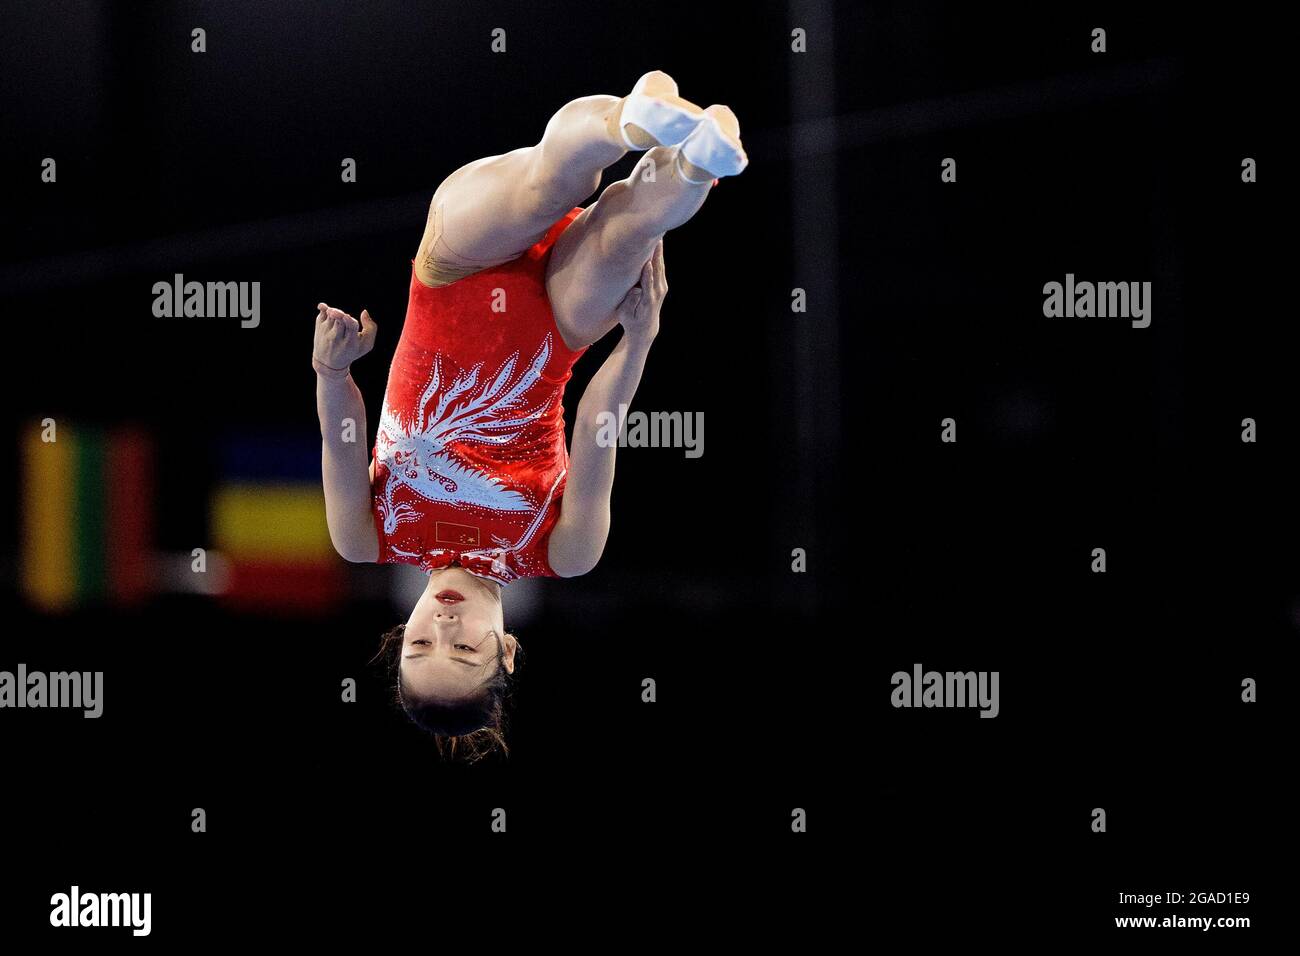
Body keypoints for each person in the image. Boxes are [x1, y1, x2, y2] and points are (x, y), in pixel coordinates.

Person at [311, 71, 747, 759]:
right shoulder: (564, 555)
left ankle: (633, 120)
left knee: (547, 186)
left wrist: (332, 371)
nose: (444, 628)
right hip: (557, 331)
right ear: (507, 651)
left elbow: (343, 441)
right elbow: (597, 433)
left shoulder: (366, 537)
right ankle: (699, 159)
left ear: (403, 633)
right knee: (629, 229)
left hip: (451, 274)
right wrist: (639, 343)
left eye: (422, 642)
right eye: (463, 651)